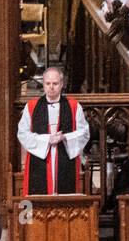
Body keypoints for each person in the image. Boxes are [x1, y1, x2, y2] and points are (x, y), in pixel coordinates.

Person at [17, 66, 90, 195]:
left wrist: (65, 138)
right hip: (40, 156)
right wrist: (47, 139)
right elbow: (22, 133)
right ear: (43, 84)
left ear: (62, 84)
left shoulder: (73, 106)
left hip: (65, 155)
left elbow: (84, 133)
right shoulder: (32, 106)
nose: (51, 87)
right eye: (48, 83)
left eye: (55, 83)